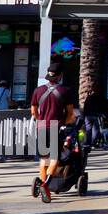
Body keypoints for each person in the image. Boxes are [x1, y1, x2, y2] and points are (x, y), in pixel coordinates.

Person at [30, 68, 74, 203]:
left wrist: (41, 120)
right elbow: (70, 113)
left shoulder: (38, 91)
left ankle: (44, 185)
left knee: (44, 158)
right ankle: (45, 185)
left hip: (42, 126)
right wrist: (63, 123)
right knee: (54, 158)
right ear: (60, 76)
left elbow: (33, 112)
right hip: (56, 126)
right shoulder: (65, 91)